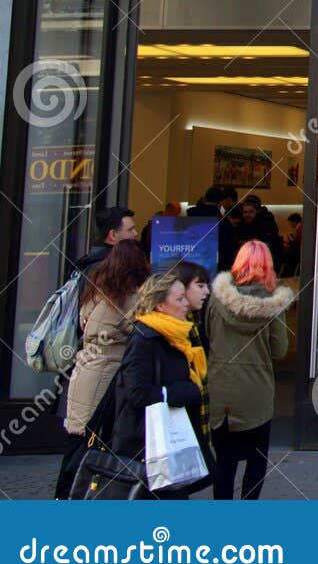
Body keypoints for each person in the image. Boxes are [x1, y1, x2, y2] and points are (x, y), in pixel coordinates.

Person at [55, 240, 150, 498]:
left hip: (83, 372)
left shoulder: (96, 291)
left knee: (77, 444)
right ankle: (79, 498)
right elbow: (144, 328)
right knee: (93, 447)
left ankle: (64, 498)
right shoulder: (129, 298)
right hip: (104, 378)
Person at [110, 271, 213, 498]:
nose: (186, 303)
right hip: (147, 447)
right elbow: (137, 392)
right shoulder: (145, 339)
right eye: (179, 299)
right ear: (160, 305)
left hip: (171, 444)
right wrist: (179, 392)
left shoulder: (175, 336)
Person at [205, 240, 292, 500]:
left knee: (224, 460)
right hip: (257, 391)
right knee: (256, 459)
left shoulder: (216, 299)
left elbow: (208, 335)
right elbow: (279, 350)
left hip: (221, 387)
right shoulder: (274, 304)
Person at [72, 205, 137, 274]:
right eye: (130, 229)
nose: (135, 233)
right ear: (113, 235)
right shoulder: (109, 266)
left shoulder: (90, 261)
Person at [174, 260, 212, 353]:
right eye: (200, 286)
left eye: (206, 286)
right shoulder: (169, 325)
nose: (207, 291)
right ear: (182, 286)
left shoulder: (194, 320)